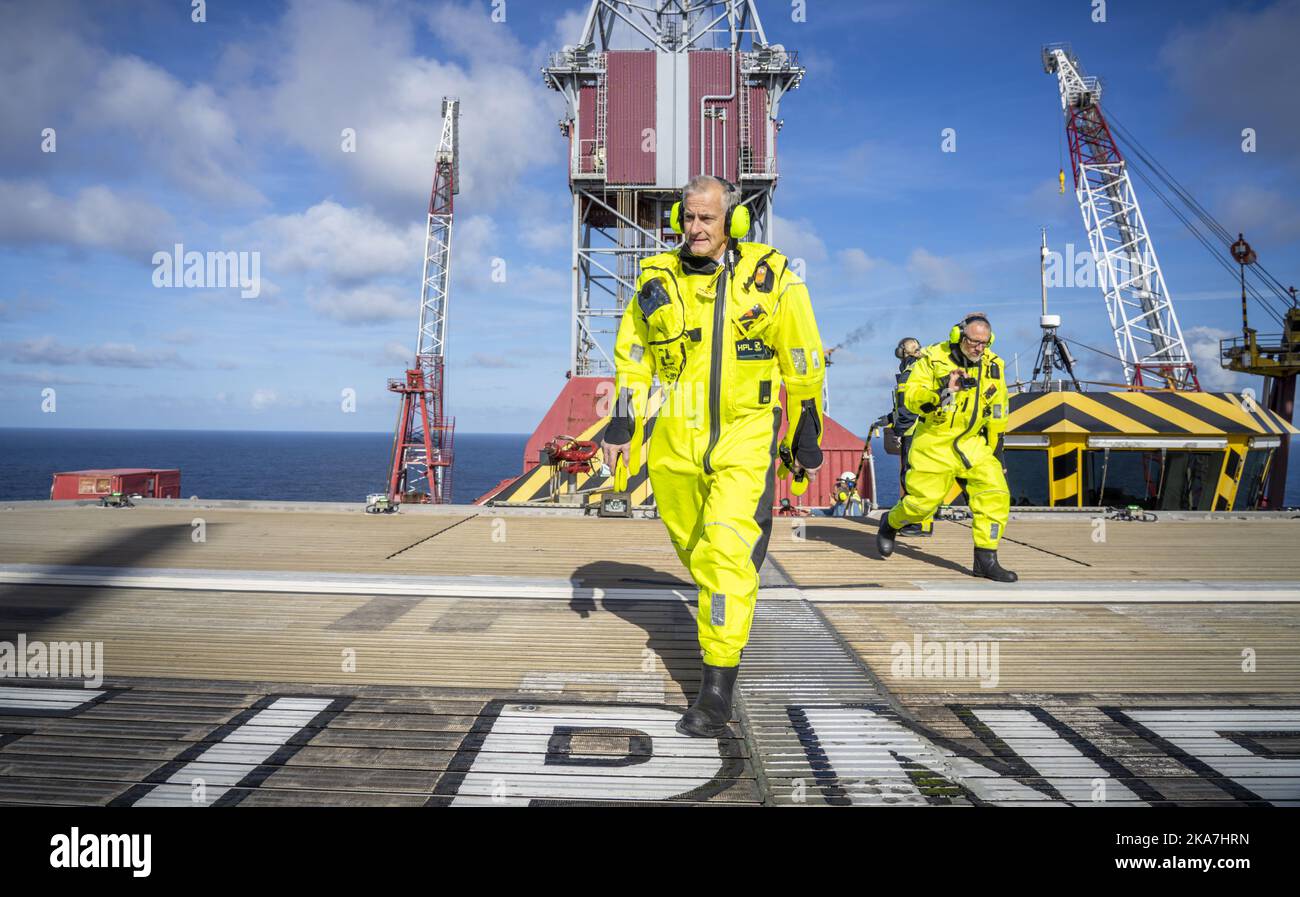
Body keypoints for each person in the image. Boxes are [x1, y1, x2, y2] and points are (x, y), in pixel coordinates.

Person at [602, 175, 826, 737]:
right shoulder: (656, 280)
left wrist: (805, 424)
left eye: (707, 218)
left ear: (733, 222)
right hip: (674, 439)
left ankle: (716, 686)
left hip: (745, 435)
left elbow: (802, 356)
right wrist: (624, 416)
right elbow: (633, 354)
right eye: (689, 218)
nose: (696, 228)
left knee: (725, 551)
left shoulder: (773, 279)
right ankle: (730, 595)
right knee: (699, 551)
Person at [876, 313, 1017, 582]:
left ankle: (986, 559)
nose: (980, 348)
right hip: (935, 442)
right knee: (922, 505)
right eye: (975, 342)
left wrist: (997, 451)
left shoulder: (994, 365)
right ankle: (890, 523)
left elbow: (998, 409)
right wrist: (943, 388)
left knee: (995, 494)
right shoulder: (931, 359)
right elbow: (912, 398)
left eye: (985, 343)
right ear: (959, 337)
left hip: (972, 443)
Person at [890, 337, 933, 537]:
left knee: (914, 478)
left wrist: (899, 429)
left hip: (913, 431)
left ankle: (920, 524)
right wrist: (889, 418)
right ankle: (915, 521)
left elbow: (908, 406)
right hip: (914, 429)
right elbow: (902, 406)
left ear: (904, 352)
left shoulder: (912, 372)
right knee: (913, 476)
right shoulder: (916, 369)